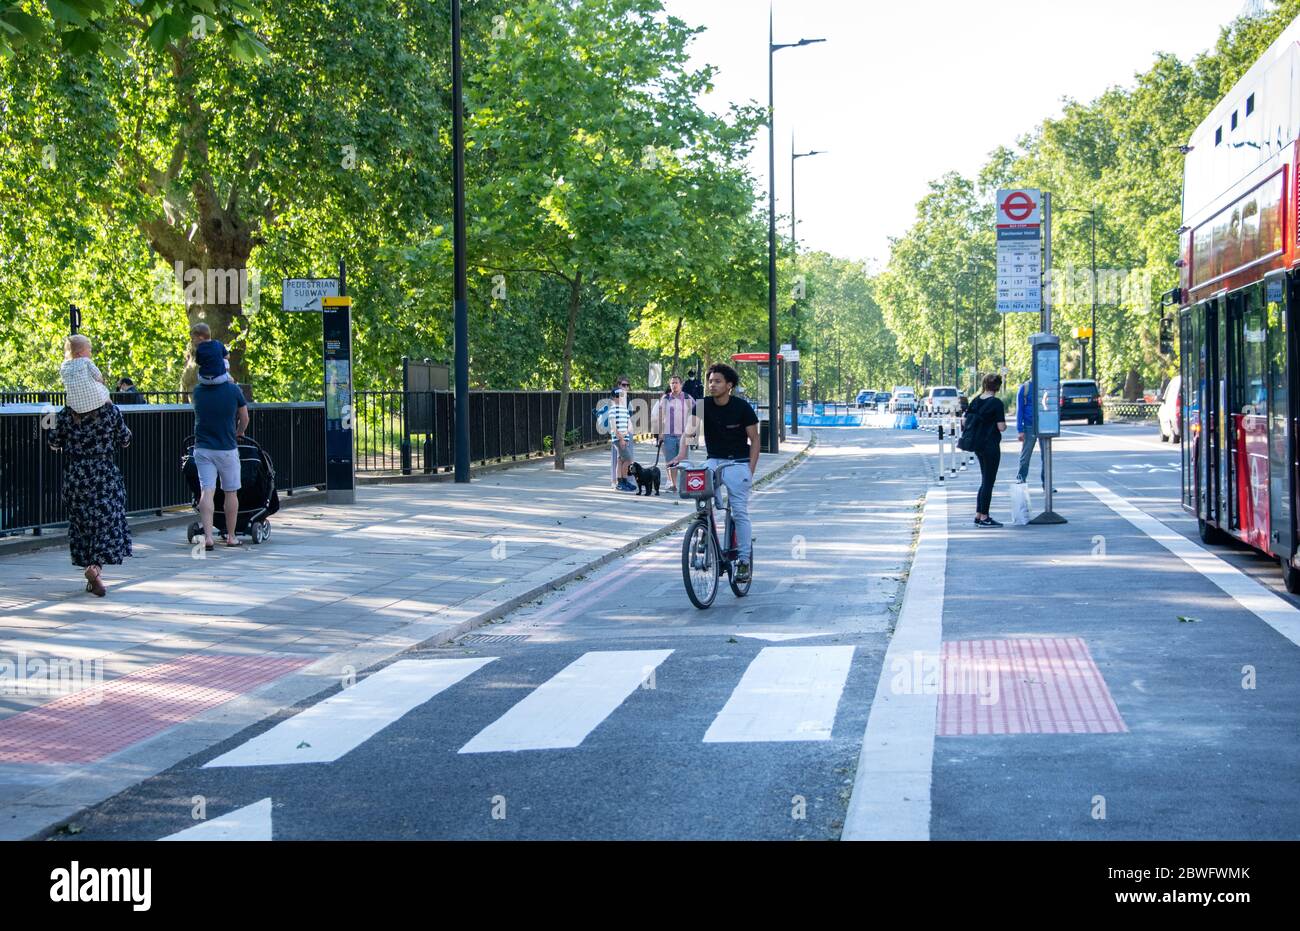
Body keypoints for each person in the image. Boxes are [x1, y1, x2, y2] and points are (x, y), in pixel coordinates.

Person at [48, 336, 132, 596]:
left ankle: (91, 571)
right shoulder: (110, 411)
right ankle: (95, 568)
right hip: (103, 474)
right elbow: (125, 439)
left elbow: (53, 442)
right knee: (107, 523)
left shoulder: (65, 414)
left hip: (76, 475)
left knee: (82, 525)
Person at [669, 363, 759, 582]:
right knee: (699, 486)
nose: (712, 385)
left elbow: (755, 440)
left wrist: (750, 470)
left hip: (738, 462)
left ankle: (744, 562)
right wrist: (681, 455)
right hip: (714, 460)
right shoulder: (702, 405)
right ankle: (706, 527)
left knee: (739, 512)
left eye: (717, 381)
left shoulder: (742, 407)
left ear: (729, 385)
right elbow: (689, 432)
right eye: (710, 381)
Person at [193, 364, 250, 547]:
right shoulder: (233, 390)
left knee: (207, 490)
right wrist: (239, 432)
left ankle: (208, 537)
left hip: (203, 448)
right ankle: (231, 537)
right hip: (226, 447)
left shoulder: (198, 391)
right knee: (230, 492)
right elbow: (245, 418)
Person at [965, 373, 1008, 528]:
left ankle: (978, 514)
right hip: (991, 445)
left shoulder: (975, 400)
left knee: (984, 480)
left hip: (977, 445)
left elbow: (965, 420)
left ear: (984, 384)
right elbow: (1001, 427)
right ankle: (984, 517)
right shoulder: (996, 403)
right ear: (998, 387)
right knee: (989, 481)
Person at [653, 374, 694, 492]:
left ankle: (684, 486)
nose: (674, 385)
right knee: (671, 461)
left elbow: (696, 414)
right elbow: (660, 416)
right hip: (668, 435)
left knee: (684, 461)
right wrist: (660, 434)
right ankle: (673, 485)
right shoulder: (665, 398)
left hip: (684, 435)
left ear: (681, 385)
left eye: (676, 383)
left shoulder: (688, 397)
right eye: (672, 383)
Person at [59, 335, 111, 414]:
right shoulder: (86, 361)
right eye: (89, 351)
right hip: (96, 400)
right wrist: (101, 382)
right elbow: (98, 376)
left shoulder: (64, 366)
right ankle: (110, 406)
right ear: (80, 353)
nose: (91, 353)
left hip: (75, 406)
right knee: (105, 393)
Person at [1015, 378, 1045, 488]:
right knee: (1026, 454)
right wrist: (1020, 430)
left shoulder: (1045, 385)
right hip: (1029, 425)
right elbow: (1020, 410)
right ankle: (1021, 478)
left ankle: (1046, 482)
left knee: (1046, 456)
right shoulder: (1025, 388)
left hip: (1044, 425)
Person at [609, 377, 636, 492]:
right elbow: (613, 427)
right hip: (619, 439)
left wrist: (626, 434)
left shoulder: (625, 410)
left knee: (621, 460)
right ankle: (622, 481)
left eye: (622, 395)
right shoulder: (613, 409)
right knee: (629, 459)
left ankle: (622, 482)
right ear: (614, 398)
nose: (621, 397)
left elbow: (629, 424)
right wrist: (621, 438)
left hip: (625, 438)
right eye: (619, 396)